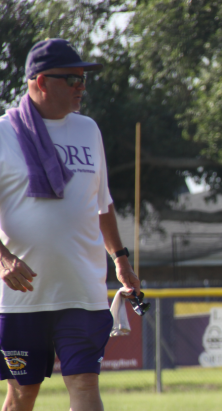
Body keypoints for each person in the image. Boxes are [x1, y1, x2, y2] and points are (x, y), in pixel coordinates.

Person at [0, 38, 140, 411]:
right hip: (23, 295)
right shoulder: (3, 134)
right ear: (42, 82)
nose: (81, 87)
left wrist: (121, 259)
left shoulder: (88, 130)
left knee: (83, 384)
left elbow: (103, 202)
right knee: (22, 393)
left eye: (84, 80)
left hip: (82, 288)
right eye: (72, 80)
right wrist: (3, 259)